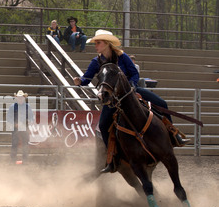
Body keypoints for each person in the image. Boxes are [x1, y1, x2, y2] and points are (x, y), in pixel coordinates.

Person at [73, 29, 188, 173]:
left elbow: (134, 73)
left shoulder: (122, 57)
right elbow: (87, 78)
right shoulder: (96, 61)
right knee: (103, 125)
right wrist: (80, 81)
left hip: (131, 92)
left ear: (107, 44)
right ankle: (112, 158)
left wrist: (132, 87)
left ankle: (172, 135)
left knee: (161, 103)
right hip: (114, 99)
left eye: (98, 42)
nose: (96, 45)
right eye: (95, 43)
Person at [6, 90, 35, 164]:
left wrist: (29, 121)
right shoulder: (13, 107)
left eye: (21, 97)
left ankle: (25, 160)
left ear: (24, 98)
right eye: (19, 98)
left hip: (24, 127)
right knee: (14, 143)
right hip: (15, 128)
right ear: (17, 98)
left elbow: (32, 117)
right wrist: (15, 124)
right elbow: (9, 118)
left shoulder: (27, 107)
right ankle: (13, 160)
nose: (20, 99)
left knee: (25, 144)